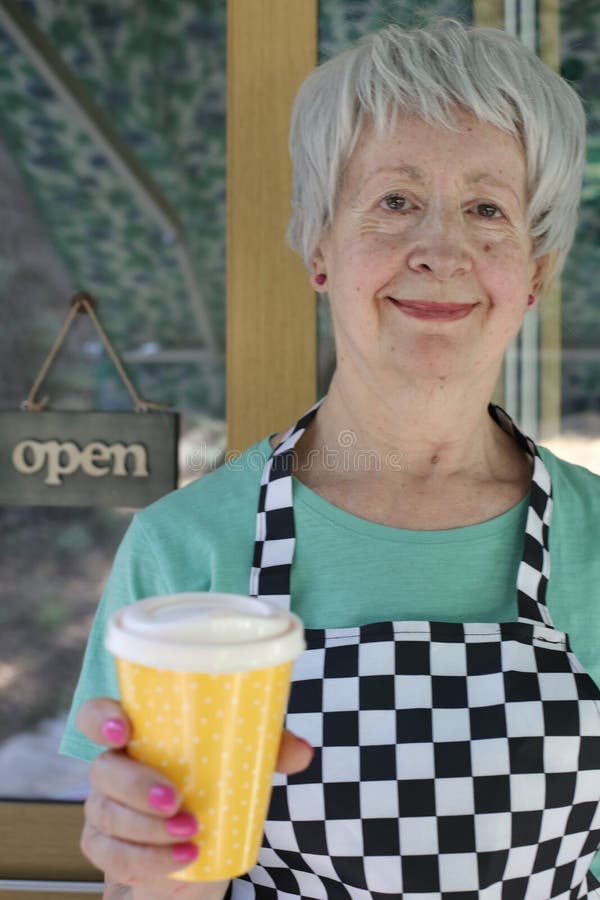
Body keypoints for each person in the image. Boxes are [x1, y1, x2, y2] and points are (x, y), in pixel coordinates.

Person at [61, 18, 600, 900]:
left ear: (533, 272)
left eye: (487, 208)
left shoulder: (599, 543)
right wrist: (151, 867)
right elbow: (163, 889)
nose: (442, 249)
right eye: (393, 201)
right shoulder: (186, 548)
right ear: (319, 247)